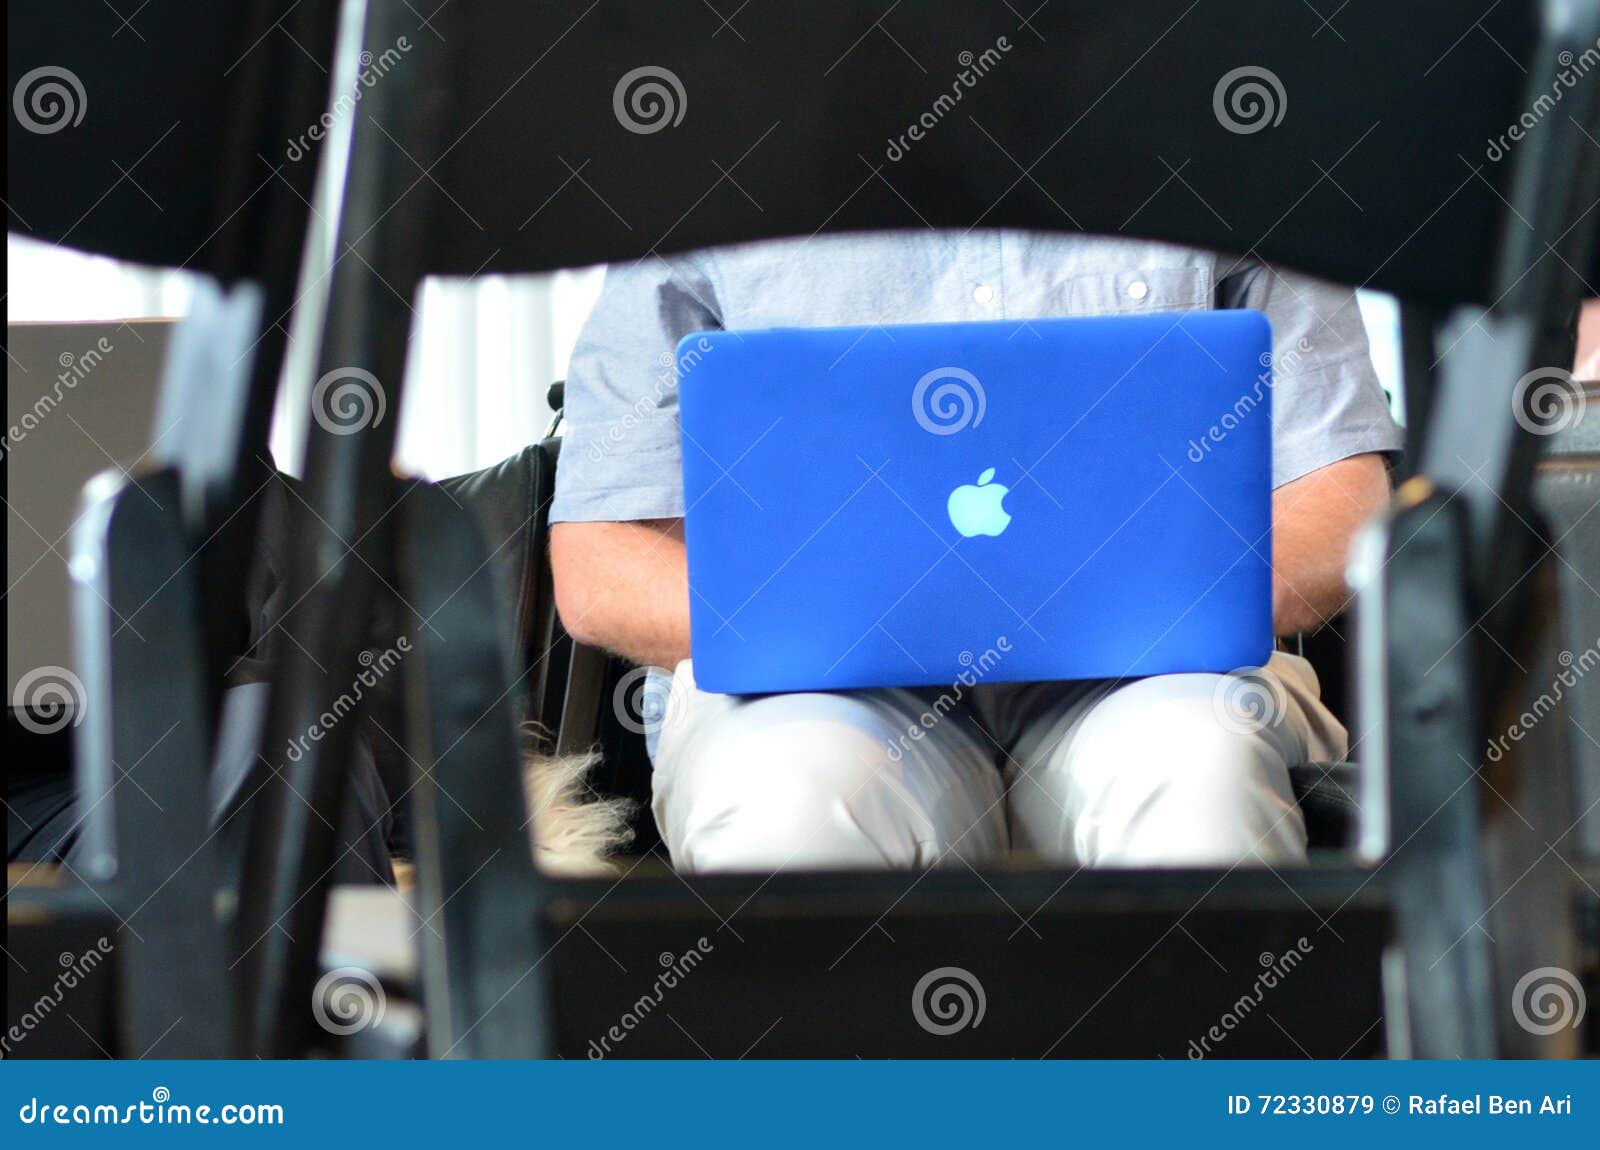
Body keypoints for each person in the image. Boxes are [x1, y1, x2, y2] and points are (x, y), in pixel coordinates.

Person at [549, 233, 1401, 872]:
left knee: (1201, 775)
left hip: (1154, 673)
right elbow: (599, 559)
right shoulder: (714, 181)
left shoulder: (1219, 154)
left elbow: (1340, 494)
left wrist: (1181, 596)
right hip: (812, 692)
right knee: (784, 804)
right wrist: (823, 626)